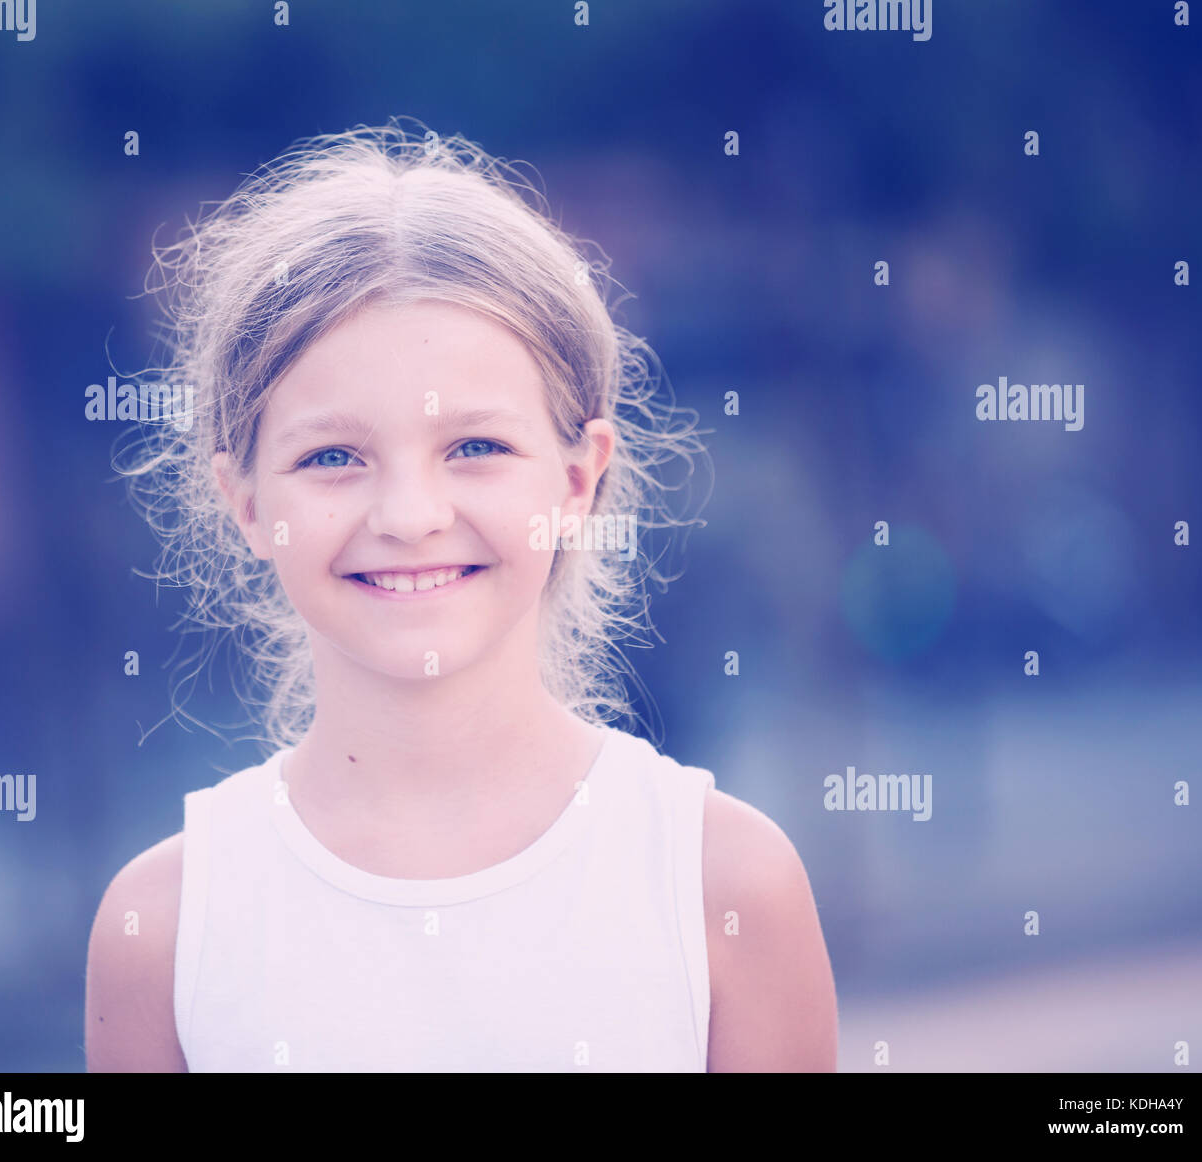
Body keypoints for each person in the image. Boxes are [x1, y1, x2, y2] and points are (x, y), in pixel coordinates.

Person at [84, 119, 836, 1072]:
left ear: (577, 482)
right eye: (332, 457)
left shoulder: (725, 886)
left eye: (476, 447)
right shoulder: (162, 929)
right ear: (246, 503)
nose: (409, 514)